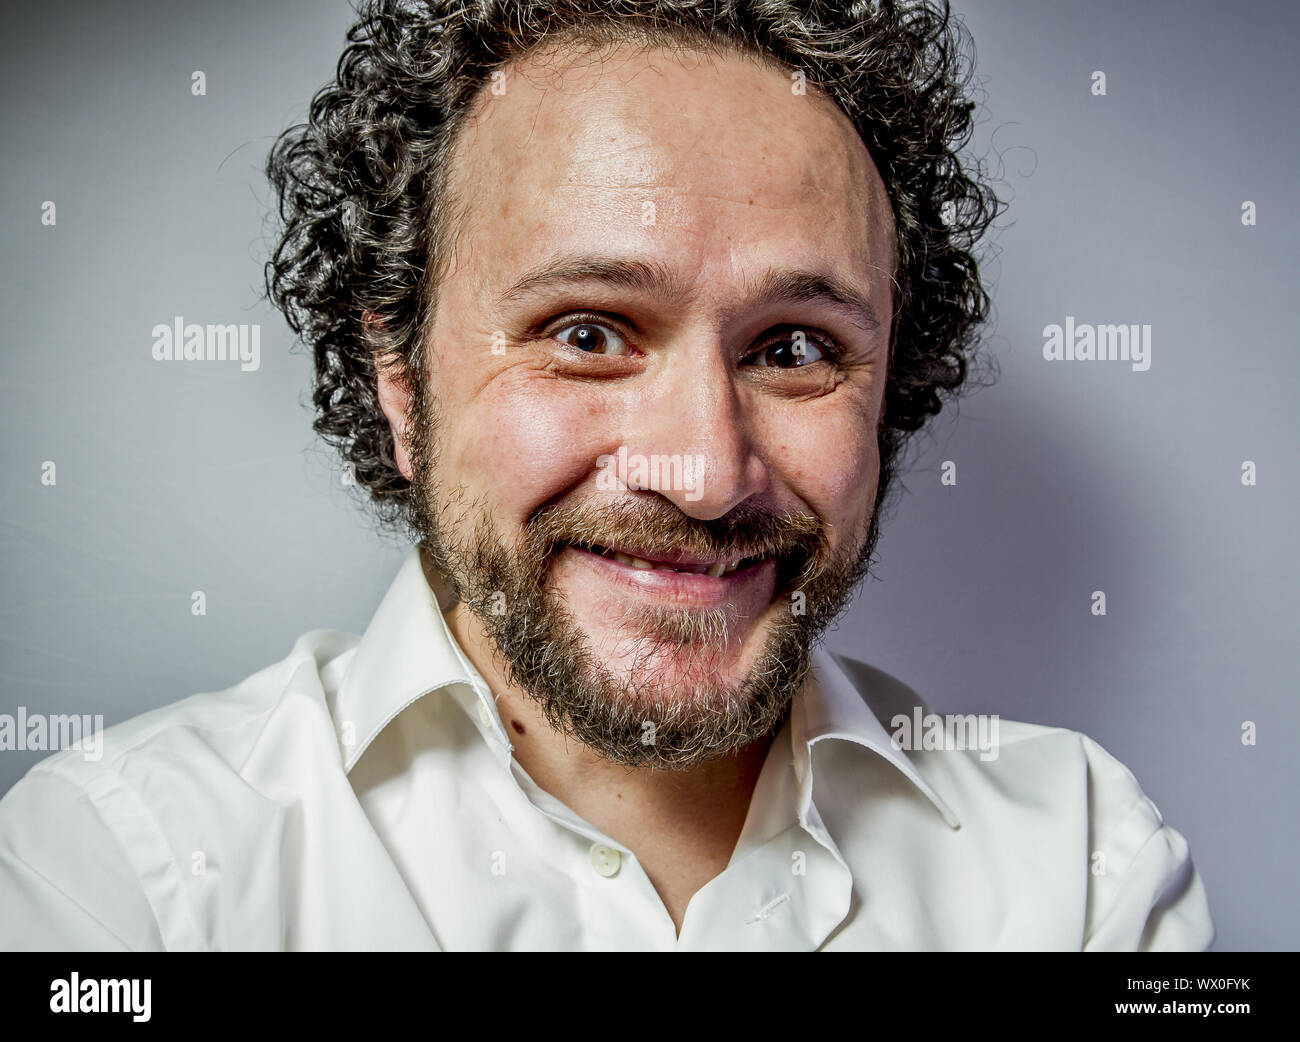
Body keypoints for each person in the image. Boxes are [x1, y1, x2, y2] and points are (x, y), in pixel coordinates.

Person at [0, 0, 1212, 951]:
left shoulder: (1075, 865)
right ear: (401, 383)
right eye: (587, 332)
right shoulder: (123, 877)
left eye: (794, 349)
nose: (701, 473)